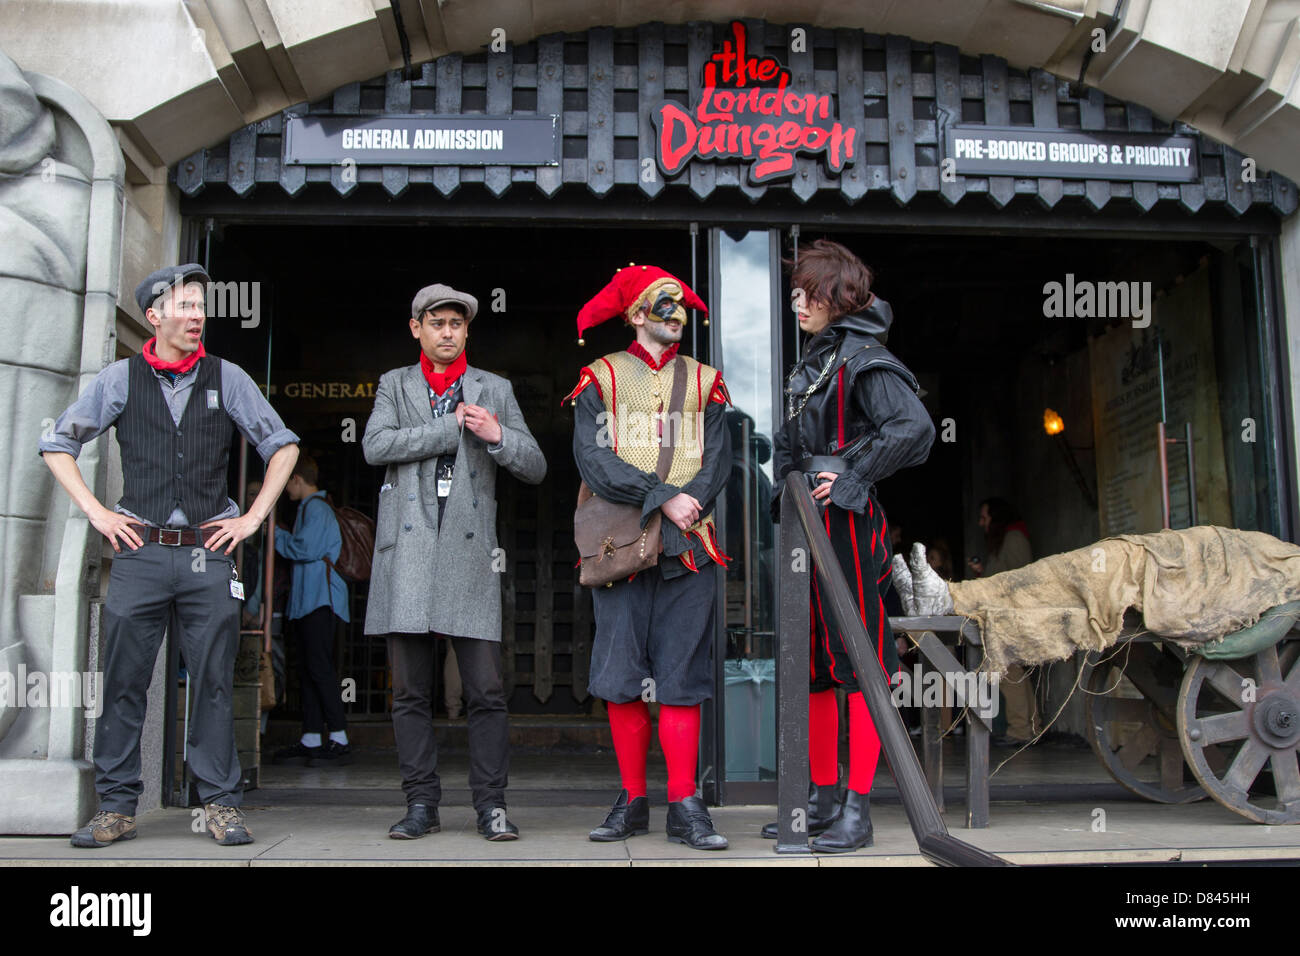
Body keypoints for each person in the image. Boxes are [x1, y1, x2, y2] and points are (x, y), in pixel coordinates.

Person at [40, 264, 299, 848]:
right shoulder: (119, 378)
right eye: (183, 305)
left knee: (211, 680)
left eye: (200, 306)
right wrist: (99, 513)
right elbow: (57, 442)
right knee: (125, 681)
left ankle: (220, 805)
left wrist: (252, 518)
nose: (196, 315)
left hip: (209, 553)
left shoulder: (226, 377)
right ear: (153, 316)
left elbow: (282, 445)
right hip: (141, 551)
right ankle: (116, 806)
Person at [764, 239, 934, 852]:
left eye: (808, 292)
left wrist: (855, 473)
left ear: (836, 296)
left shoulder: (863, 357)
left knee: (862, 664)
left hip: (847, 525)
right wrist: (781, 491)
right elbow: (790, 442)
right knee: (812, 669)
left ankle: (858, 810)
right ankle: (822, 797)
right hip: (803, 523)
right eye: (795, 292)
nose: (796, 302)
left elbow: (913, 428)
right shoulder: (817, 359)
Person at [363, 283, 545, 842]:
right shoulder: (395, 384)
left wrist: (496, 437)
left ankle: (491, 806)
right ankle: (421, 804)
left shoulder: (495, 388)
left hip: (469, 556)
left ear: (468, 331)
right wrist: (448, 428)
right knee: (410, 693)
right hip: (410, 551)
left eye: (457, 324)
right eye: (436, 322)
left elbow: (535, 466)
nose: (448, 332)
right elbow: (375, 446)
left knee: (486, 691)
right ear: (416, 328)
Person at [565, 264, 733, 851]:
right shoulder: (600, 378)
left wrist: (690, 504)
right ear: (636, 315)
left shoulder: (708, 380)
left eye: (680, 304)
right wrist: (662, 497)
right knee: (620, 677)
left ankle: (686, 803)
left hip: (692, 545)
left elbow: (718, 461)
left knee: (682, 676)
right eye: (663, 305)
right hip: (623, 544)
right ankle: (633, 798)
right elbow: (593, 461)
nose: (676, 313)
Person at [270, 454, 352, 767]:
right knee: (308, 667)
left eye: (287, 480)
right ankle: (313, 736)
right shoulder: (311, 507)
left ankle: (339, 736)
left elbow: (304, 549)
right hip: (310, 599)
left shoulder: (316, 508)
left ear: (297, 479)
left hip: (320, 598)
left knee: (319, 666)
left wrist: (275, 533)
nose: (286, 487)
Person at [968, 497, 1039, 746]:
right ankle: (1030, 728)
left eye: (984, 517)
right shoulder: (1007, 540)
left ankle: (1021, 730)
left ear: (996, 518)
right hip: (1006, 614)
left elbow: (1018, 580)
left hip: (1011, 616)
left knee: (1009, 673)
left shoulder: (1014, 540)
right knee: (1015, 673)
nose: (981, 523)